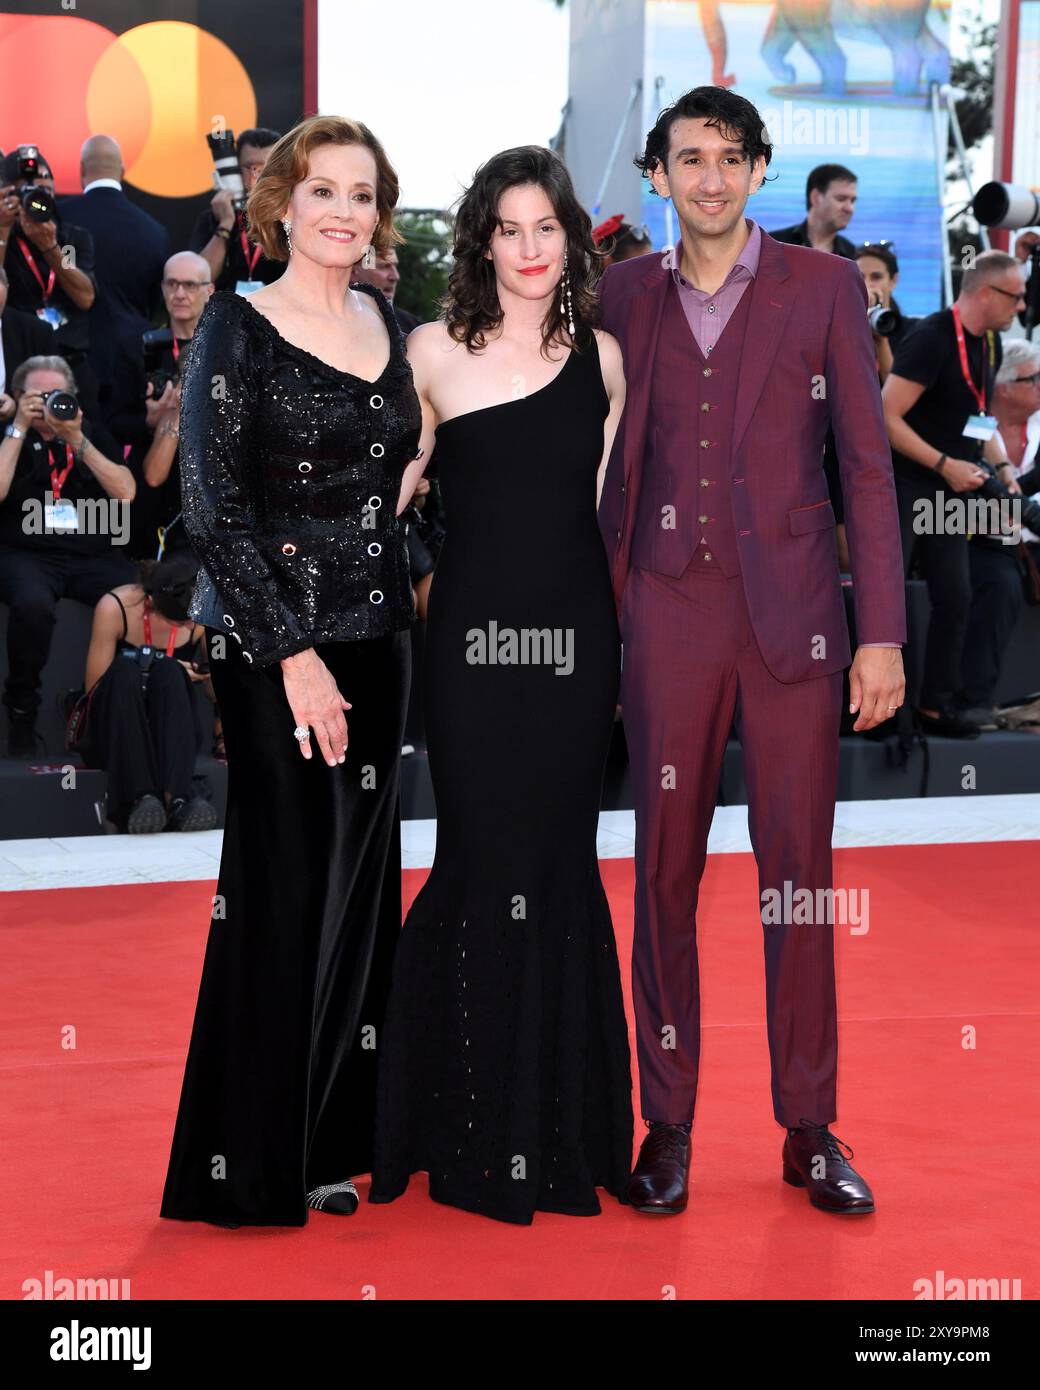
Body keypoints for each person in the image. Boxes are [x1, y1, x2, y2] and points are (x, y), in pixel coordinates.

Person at [599, 87, 905, 1217]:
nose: (711, 179)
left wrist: (878, 632)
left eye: (729, 159)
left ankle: (809, 1129)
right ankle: (664, 1125)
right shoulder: (621, 293)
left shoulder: (822, 288)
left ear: (758, 169)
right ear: (659, 175)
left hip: (794, 629)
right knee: (662, 876)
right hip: (667, 618)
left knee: (799, 887)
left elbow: (866, 472)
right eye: (689, 160)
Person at [161, 114, 422, 1227]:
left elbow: (405, 461)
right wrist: (295, 657)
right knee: (282, 886)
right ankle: (252, 1158)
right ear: (279, 204)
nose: (342, 212)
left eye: (361, 195)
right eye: (322, 191)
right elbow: (212, 508)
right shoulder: (237, 323)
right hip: (272, 647)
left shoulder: (392, 321)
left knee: (362, 892)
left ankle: (336, 1132)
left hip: (381, 641)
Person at [369, 145, 633, 1225]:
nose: (528, 250)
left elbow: (612, 526)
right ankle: (464, 1125)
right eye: (508, 229)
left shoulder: (606, 360)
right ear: (481, 239)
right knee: (479, 861)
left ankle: (557, 1128)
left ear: (569, 238)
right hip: (472, 652)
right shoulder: (428, 351)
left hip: (576, 652)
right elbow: (379, 495)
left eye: (545, 228)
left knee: (558, 863)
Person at [882, 250, 1028, 737]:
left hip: (950, 486)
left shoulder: (989, 343)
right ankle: (879, 710)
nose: (1023, 307)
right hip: (906, 481)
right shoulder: (931, 337)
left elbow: (978, 416)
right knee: (889, 597)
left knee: (956, 594)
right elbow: (885, 417)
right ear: (985, 293)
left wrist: (1003, 465)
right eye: (1016, 296)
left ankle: (934, 707)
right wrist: (943, 464)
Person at [0, 355, 136, 757]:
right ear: (18, 397)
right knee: (32, 604)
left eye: (54, 395)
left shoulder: (89, 433)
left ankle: (109, 704)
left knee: (132, 595)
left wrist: (77, 439)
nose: (46, 404)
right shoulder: (9, 434)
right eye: (35, 396)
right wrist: (19, 427)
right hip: (27, 554)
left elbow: (126, 492)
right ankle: (22, 705)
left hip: (90, 555)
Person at [80, 552, 215, 832]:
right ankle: (140, 797)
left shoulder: (202, 612)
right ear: (151, 603)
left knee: (169, 673)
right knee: (128, 669)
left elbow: (216, 695)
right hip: (119, 725)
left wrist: (205, 672)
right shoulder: (115, 606)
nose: (190, 627)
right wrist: (152, 663)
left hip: (168, 730)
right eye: (180, 622)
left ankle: (177, 798)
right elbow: (94, 690)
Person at [106, 251, 214, 559]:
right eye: (172, 284)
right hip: (150, 484)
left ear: (210, 289)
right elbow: (112, 422)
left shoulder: (227, 347)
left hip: (208, 483)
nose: (180, 294)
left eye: (191, 285)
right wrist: (151, 422)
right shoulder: (136, 348)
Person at [58, 135, 171, 409]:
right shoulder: (154, 231)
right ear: (122, 172)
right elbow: (158, 303)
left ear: (82, 169)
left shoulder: (59, 219)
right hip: (131, 359)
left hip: (68, 358)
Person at [0, 149, 101, 418]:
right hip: (19, 366)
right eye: (28, 184)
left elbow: (84, 296)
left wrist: (51, 248)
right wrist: (2, 231)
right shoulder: (5, 238)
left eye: (45, 178)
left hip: (72, 363)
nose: (39, 187)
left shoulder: (69, 238)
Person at [190, 127, 284, 293]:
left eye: (265, 168)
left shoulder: (292, 217)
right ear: (236, 169)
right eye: (250, 167)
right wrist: (225, 224)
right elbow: (199, 281)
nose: (257, 176)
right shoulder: (215, 217)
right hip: (222, 314)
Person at [770, 162, 857, 257]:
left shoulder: (851, 254)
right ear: (815, 197)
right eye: (841, 199)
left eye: (852, 201)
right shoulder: (774, 243)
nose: (849, 208)